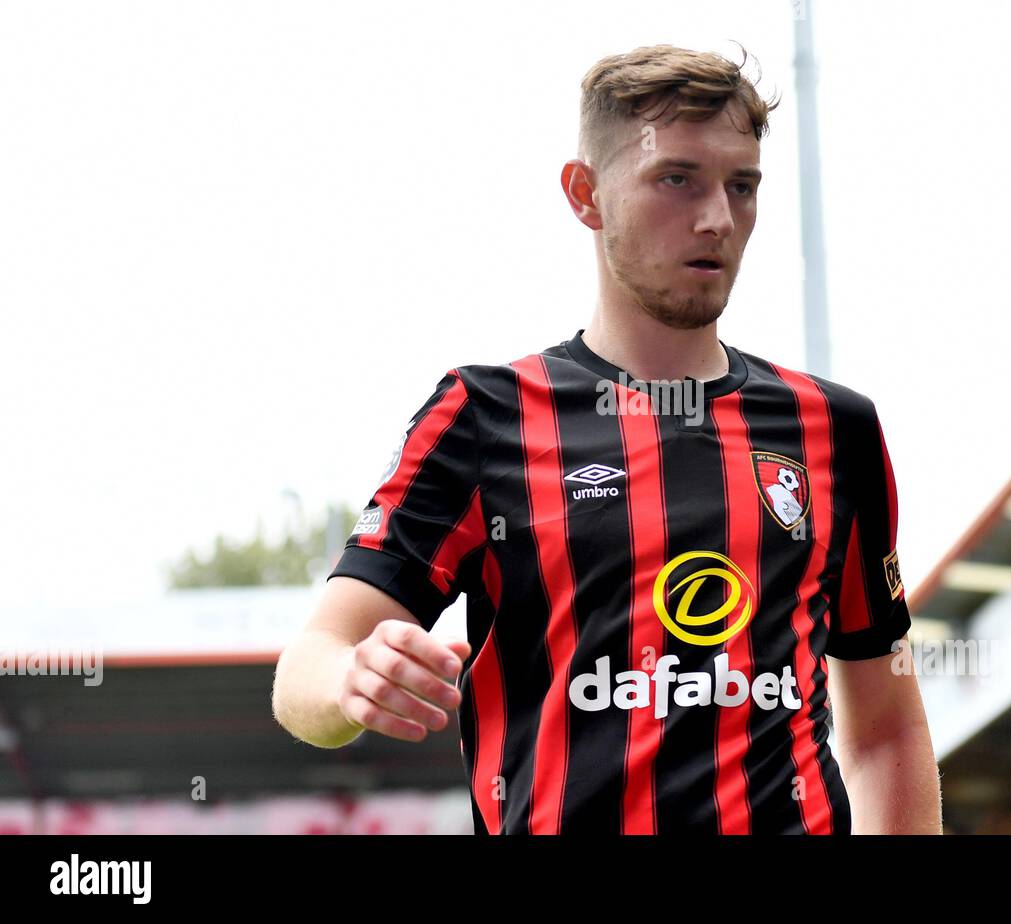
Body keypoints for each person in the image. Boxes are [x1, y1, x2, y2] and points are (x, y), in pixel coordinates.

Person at [272, 43, 942, 835]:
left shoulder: (833, 429)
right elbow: (304, 671)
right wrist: (352, 677)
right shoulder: (483, 416)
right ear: (586, 194)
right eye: (677, 179)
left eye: (743, 186)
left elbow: (888, 727)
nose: (718, 218)